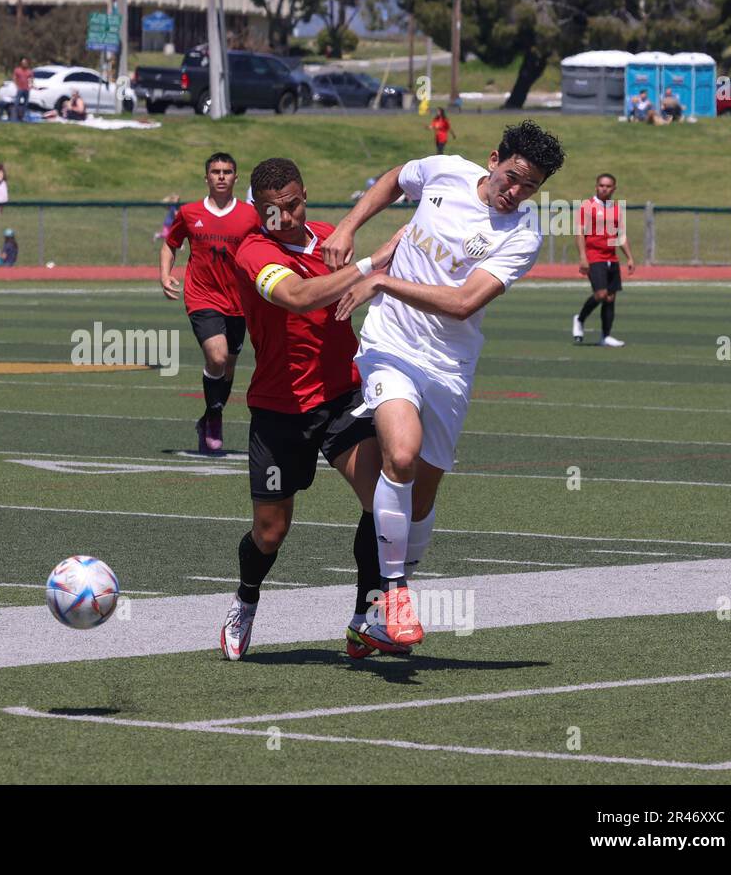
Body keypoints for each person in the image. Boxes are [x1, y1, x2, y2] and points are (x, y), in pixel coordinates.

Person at [323, 120, 566, 653]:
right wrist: (347, 225)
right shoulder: (447, 171)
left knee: (424, 494)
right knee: (402, 457)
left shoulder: (523, 234)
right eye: (513, 177)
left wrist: (383, 279)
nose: (516, 192)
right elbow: (394, 179)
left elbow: (462, 304)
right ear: (494, 158)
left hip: (450, 366)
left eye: (531, 187)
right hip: (390, 346)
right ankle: (394, 596)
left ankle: (370, 618)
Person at [219, 157, 405, 661]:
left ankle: (365, 619)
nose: (290, 216)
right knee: (270, 532)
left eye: (296, 203)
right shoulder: (253, 252)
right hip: (281, 409)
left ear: (306, 194)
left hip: (344, 397)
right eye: (276, 210)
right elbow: (300, 297)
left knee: (382, 499)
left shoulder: (328, 237)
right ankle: (246, 599)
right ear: (259, 211)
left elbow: (345, 297)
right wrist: (371, 263)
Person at [159, 152, 262, 454]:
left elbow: (265, 248)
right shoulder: (190, 212)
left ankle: (209, 416)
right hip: (202, 296)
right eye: (215, 171)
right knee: (216, 358)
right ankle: (215, 417)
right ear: (206, 177)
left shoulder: (251, 216)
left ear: (235, 177)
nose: (221, 176)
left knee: (227, 368)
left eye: (227, 171)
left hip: (240, 301)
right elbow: (170, 243)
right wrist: (165, 274)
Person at [573, 173, 635, 347]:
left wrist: (629, 257)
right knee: (601, 294)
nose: (604, 188)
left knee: (610, 298)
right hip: (594, 256)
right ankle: (580, 318)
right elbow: (579, 234)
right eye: (601, 185)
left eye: (608, 186)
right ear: (596, 186)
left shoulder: (616, 208)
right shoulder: (587, 206)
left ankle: (605, 336)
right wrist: (583, 257)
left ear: (614, 188)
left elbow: (620, 235)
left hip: (611, 257)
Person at [13, 57, 33, 122]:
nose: (24, 64)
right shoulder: (17, 70)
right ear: (21, 63)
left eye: (26, 63)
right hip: (20, 89)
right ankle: (16, 117)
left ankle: (22, 117)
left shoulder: (29, 71)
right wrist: (17, 86)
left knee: (26, 104)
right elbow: (14, 78)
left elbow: (31, 80)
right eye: (23, 63)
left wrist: (30, 86)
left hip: (26, 89)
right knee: (17, 103)